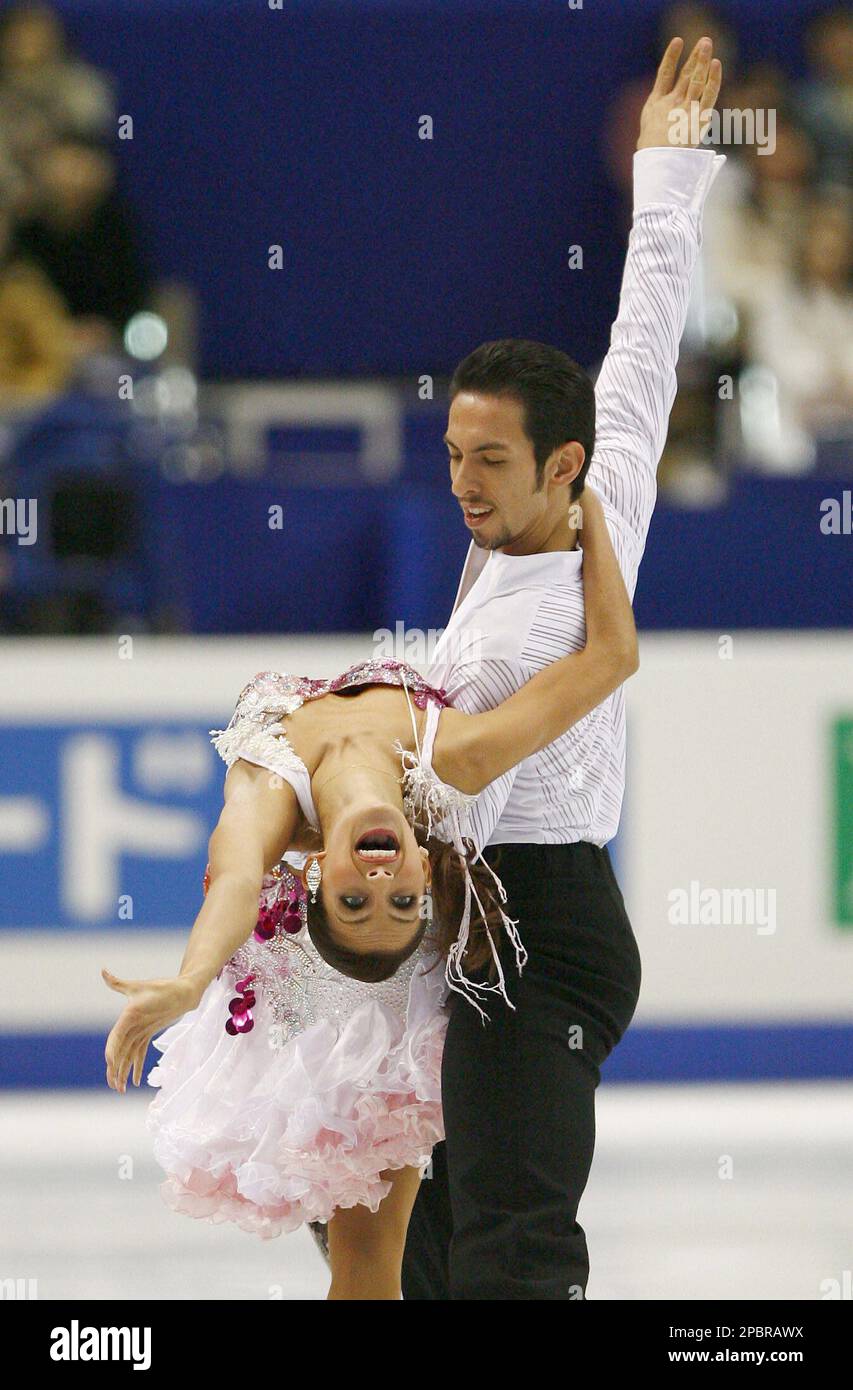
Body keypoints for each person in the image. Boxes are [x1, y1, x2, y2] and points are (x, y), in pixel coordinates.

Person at [103, 485, 637, 1301]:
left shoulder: (276, 793)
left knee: (372, 1262)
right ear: (429, 871)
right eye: (402, 905)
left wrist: (187, 980)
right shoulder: (458, 756)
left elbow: (239, 879)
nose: (382, 885)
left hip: (329, 1010)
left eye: (355, 903)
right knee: (390, 1258)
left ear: (316, 875)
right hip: (393, 1016)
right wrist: (590, 514)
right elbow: (608, 660)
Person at [401, 36, 726, 1299]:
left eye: (489, 461)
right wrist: (665, 178)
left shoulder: (523, 641)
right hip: (506, 922)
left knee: (510, 1232)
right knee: (421, 1221)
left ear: (556, 467)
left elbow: (451, 802)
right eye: (451, 453)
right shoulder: (605, 507)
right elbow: (641, 353)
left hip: (535, 935)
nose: (461, 482)